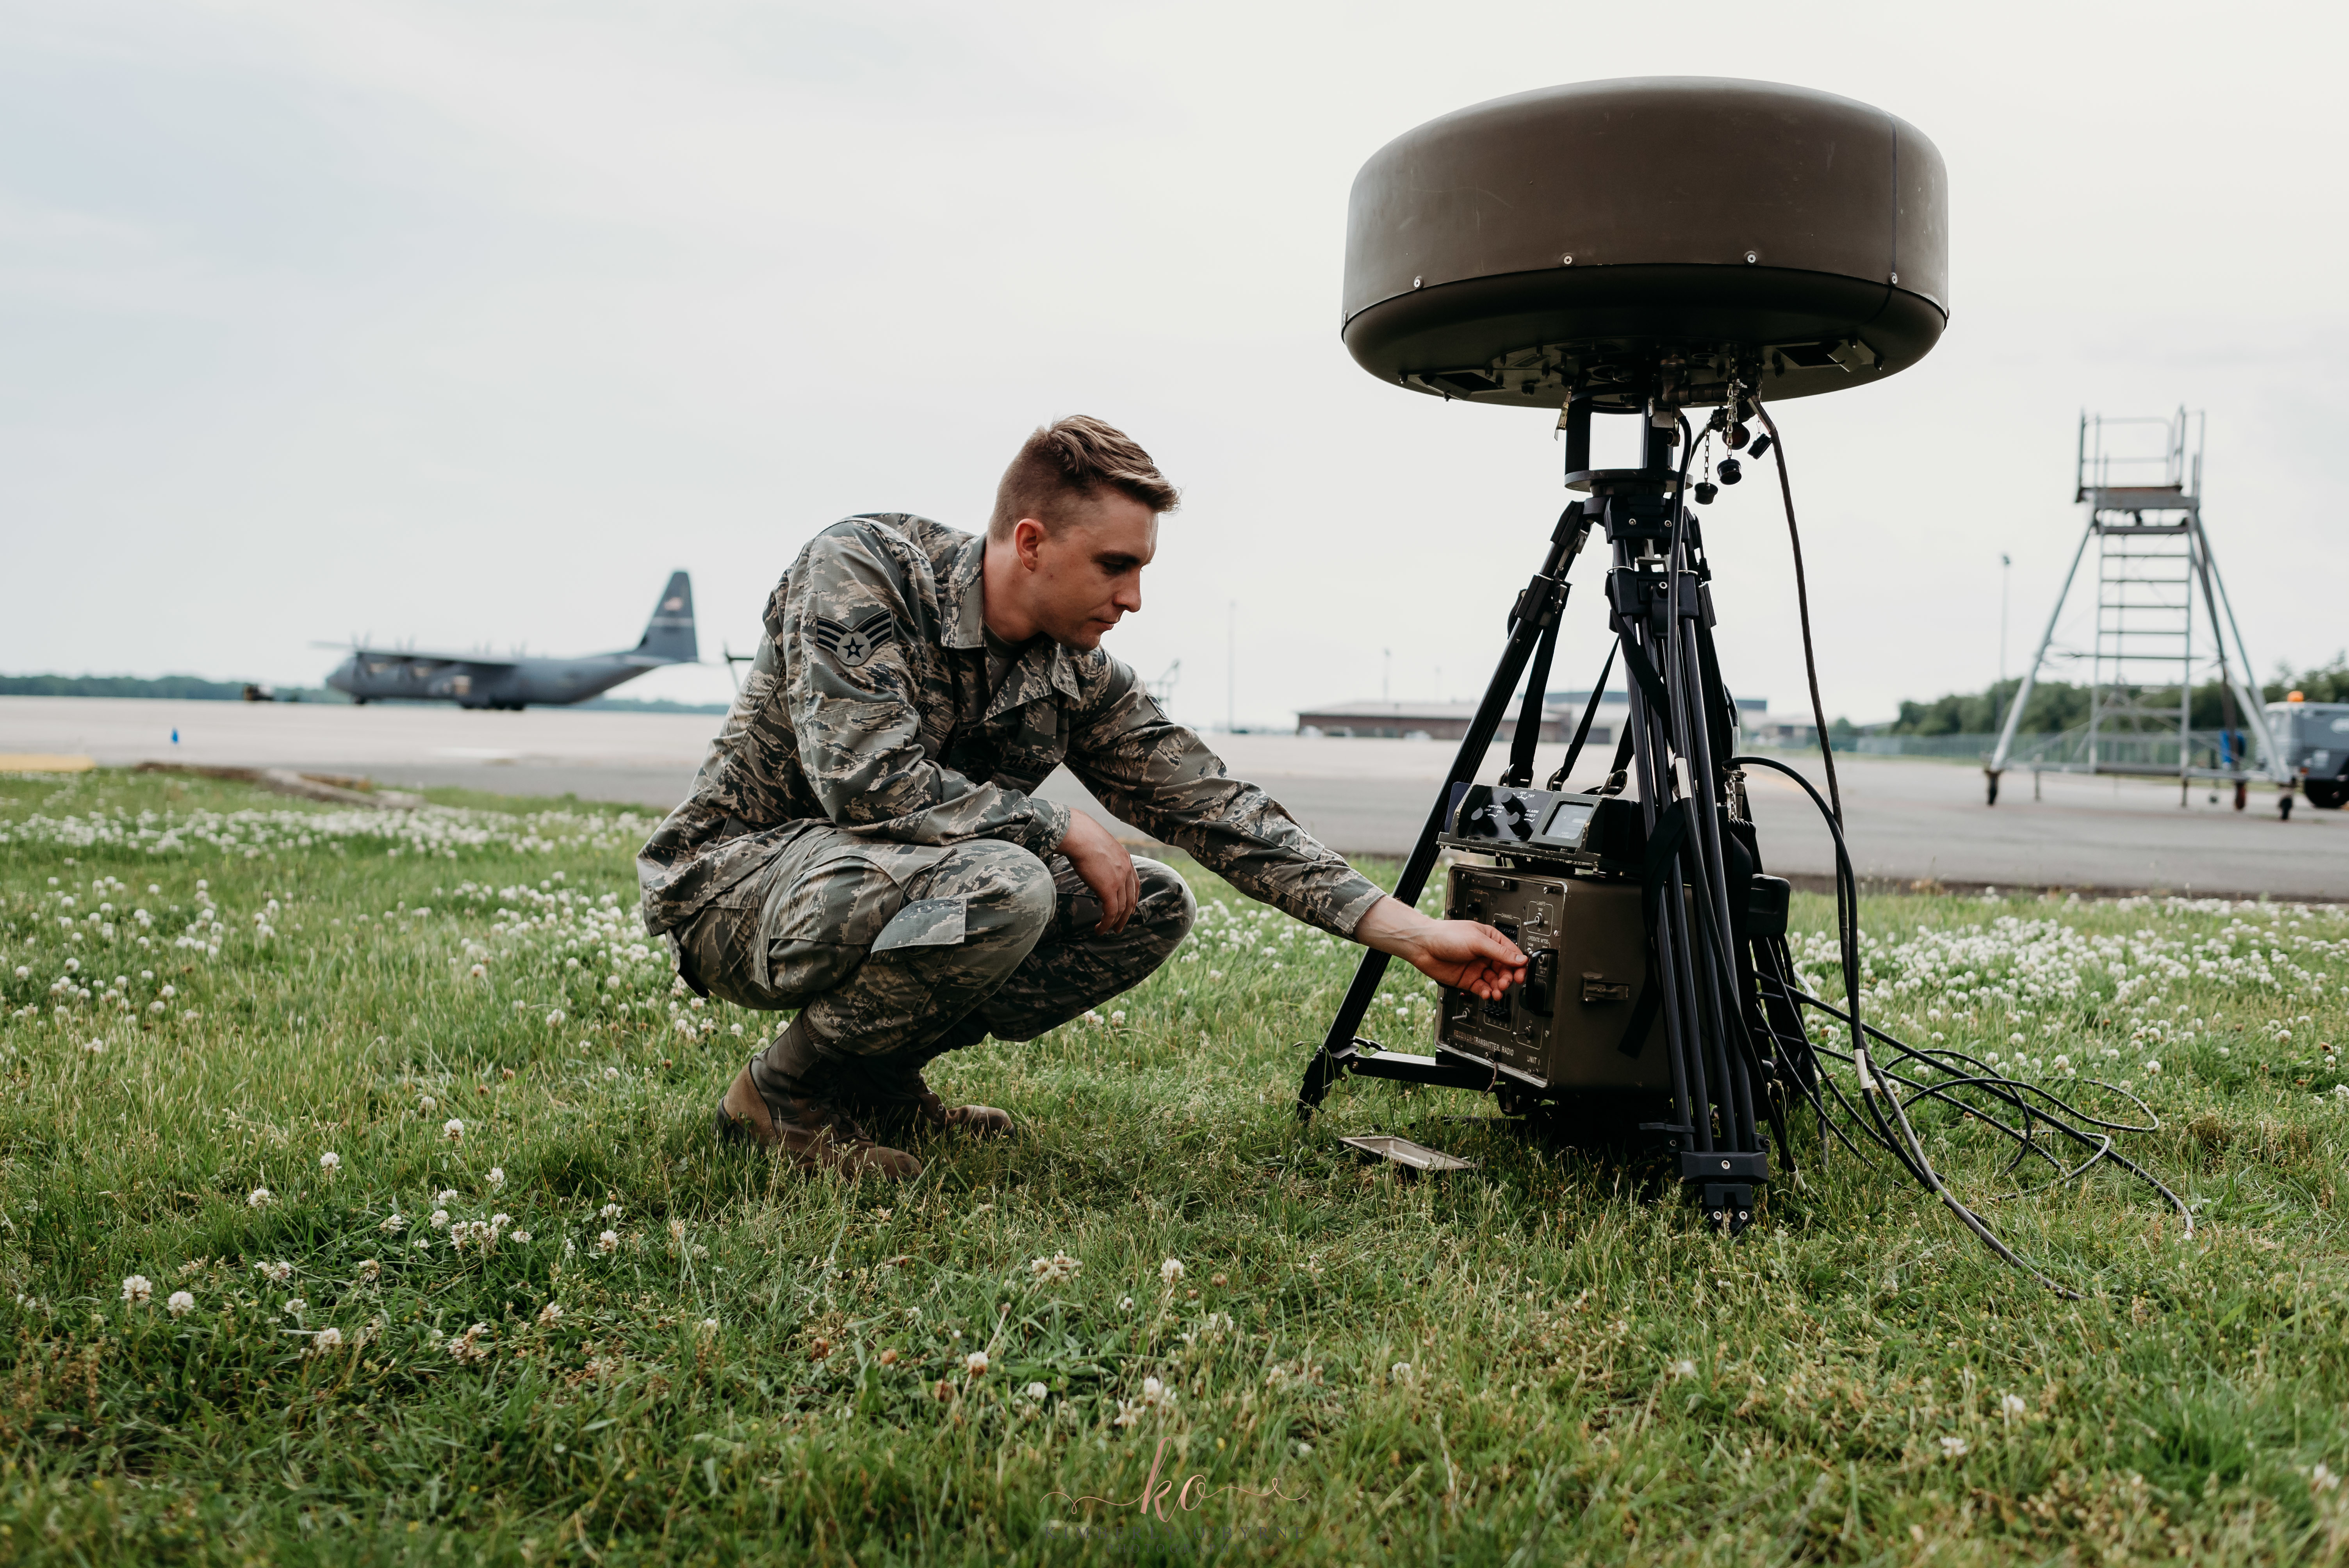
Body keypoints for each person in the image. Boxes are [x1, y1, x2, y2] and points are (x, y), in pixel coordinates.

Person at [638, 415, 1525, 1178]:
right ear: (1030, 543)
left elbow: (1217, 809)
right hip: (736, 886)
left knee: (1149, 901)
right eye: (1114, 565)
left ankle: (877, 1079)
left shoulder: (1076, 672)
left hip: (887, 885)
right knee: (1006, 883)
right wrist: (1057, 823)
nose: (1133, 598)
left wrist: (1411, 933)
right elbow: (868, 782)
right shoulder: (864, 568)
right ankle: (782, 1092)